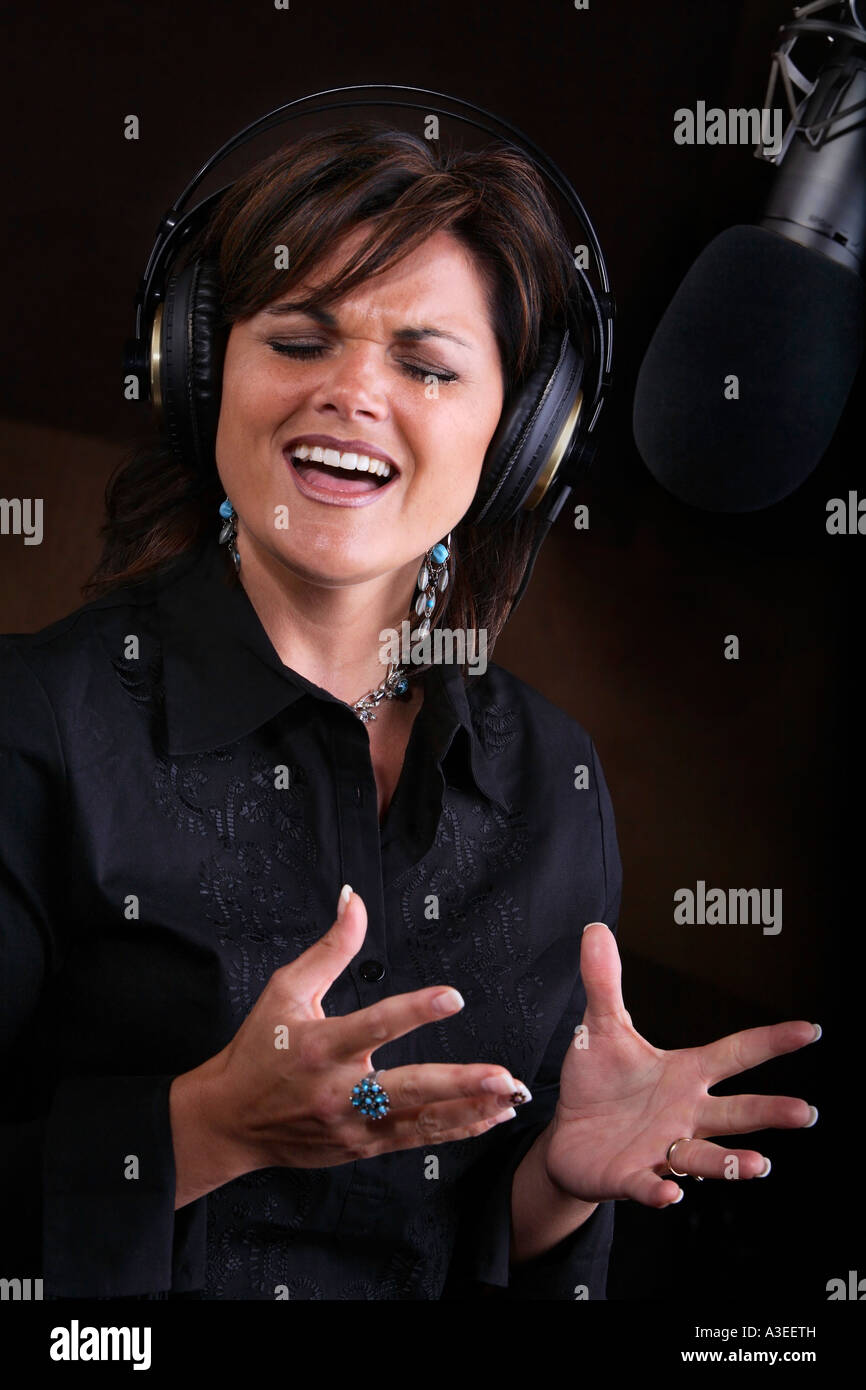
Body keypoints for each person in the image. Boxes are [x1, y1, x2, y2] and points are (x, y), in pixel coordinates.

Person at [0, 124, 820, 1301]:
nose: (351, 392)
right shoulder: (33, 724)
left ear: (518, 439)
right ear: (199, 370)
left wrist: (558, 1186)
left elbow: (468, 1247)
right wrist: (207, 1127)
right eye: (296, 338)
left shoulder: (550, 777)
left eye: (426, 365)